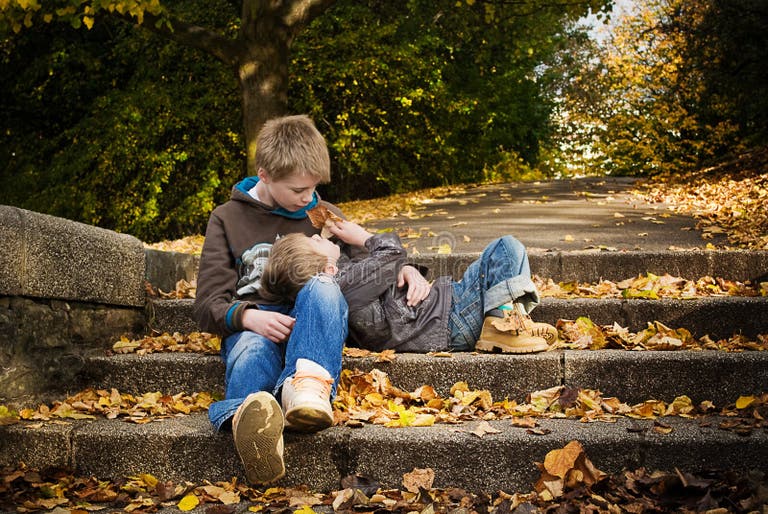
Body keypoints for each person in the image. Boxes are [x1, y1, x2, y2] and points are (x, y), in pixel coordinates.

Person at [193, 114, 433, 485]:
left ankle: (307, 390)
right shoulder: (227, 218)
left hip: (315, 320)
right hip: (259, 322)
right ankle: (249, 420)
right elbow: (208, 302)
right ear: (265, 174)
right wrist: (246, 317)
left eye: (314, 188)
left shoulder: (321, 212)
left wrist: (407, 269)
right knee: (250, 352)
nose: (309, 199)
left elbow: (365, 267)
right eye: (298, 191)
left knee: (323, 285)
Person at [259, 219, 558, 355]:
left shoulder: (344, 284)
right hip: (449, 317)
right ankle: (506, 322)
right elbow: (390, 255)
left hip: (443, 317)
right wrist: (362, 235)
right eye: (311, 243)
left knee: (501, 257)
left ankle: (510, 320)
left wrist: (407, 270)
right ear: (327, 269)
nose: (315, 237)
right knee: (506, 248)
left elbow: (386, 267)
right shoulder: (344, 285)